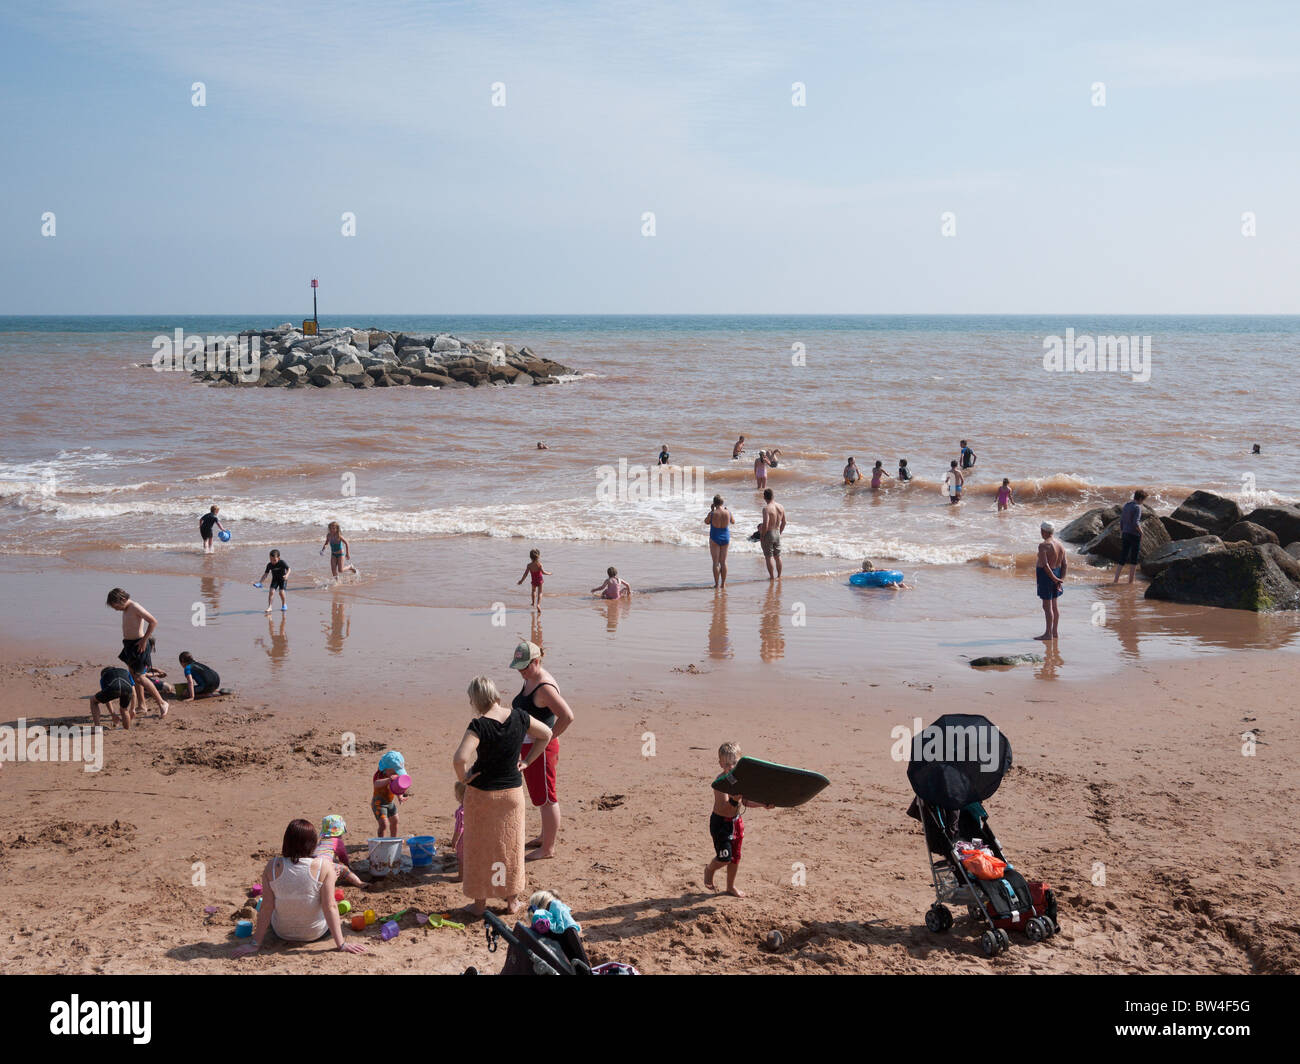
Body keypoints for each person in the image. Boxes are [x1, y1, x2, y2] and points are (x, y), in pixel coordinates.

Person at [453, 675, 553, 916]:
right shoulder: (520, 716)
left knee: (480, 848)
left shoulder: (479, 725)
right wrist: (527, 761)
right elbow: (546, 734)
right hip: (511, 795)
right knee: (511, 846)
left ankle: (479, 905)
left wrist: (464, 777)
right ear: (496, 694)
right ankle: (512, 902)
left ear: (476, 700)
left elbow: (459, 758)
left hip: (482, 795)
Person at [233, 819, 366, 956]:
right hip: (315, 933)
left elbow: (267, 906)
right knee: (327, 903)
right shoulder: (324, 866)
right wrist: (341, 944)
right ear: (313, 843)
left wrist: (254, 944)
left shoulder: (272, 866)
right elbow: (330, 906)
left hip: (281, 932)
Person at [510, 640, 576, 861]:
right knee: (539, 795)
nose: (521, 671)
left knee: (547, 798)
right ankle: (544, 836)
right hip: (530, 745)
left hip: (540, 749)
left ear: (536, 661)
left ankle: (548, 848)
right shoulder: (530, 678)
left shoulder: (544, 687)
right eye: (518, 667)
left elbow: (567, 717)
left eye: (525, 666)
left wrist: (547, 739)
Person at [705, 742, 773, 898]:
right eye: (726, 764)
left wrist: (763, 804)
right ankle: (709, 869)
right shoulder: (720, 783)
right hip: (720, 823)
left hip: (736, 822)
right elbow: (724, 809)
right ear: (720, 764)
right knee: (724, 858)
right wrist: (734, 800)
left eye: (734, 763)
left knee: (735, 858)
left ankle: (730, 887)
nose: (730, 767)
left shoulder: (741, 781)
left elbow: (746, 801)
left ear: (740, 763)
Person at [106, 588, 168, 719]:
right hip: (129, 645)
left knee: (140, 677)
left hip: (139, 644)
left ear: (122, 599)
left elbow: (153, 621)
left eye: (116, 606)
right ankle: (142, 705)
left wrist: (144, 640)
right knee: (134, 676)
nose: (116, 609)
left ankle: (162, 703)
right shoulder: (126, 608)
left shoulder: (134, 607)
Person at [312, 814, 363, 888]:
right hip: (323, 865)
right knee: (344, 869)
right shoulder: (337, 841)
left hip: (312, 864)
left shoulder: (320, 840)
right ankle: (359, 883)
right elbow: (343, 856)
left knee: (334, 861)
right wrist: (347, 865)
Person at [1035, 521, 1067, 640]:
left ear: (1043, 531)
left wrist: (1054, 579)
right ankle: (1054, 632)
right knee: (1054, 606)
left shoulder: (1043, 545)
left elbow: (1045, 565)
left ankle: (1048, 634)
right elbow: (1065, 564)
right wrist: (1060, 579)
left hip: (1046, 576)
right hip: (1057, 573)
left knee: (1047, 607)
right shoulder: (1060, 544)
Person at [1113, 489, 1147, 584]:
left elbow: (1122, 521)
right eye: (1143, 500)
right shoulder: (1137, 507)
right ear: (1140, 499)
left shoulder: (1126, 505)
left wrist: (1122, 531)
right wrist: (1141, 532)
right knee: (1134, 559)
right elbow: (1136, 523)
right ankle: (1130, 582)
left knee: (1123, 557)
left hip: (1125, 533)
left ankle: (1115, 580)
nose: (1143, 502)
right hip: (1134, 534)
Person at [372, 750, 408, 838]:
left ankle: (393, 839)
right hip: (379, 803)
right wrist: (388, 780)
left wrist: (400, 796)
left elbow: (397, 788)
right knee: (383, 824)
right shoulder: (379, 774)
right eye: (393, 772)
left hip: (389, 802)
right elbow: (376, 783)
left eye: (397, 772)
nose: (396, 774)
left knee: (395, 820)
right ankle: (381, 841)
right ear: (385, 769)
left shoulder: (396, 776)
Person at [704, 494, 734, 589]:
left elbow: (706, 521)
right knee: (723, 562)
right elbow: (733, 521)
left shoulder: (713, 513)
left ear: (714, 503)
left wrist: (711, 510)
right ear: (722, 502)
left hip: (715, 537)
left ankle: (717, 584)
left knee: (716, 562)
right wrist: (728, 511)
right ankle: (723, 584)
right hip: (725, 537)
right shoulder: (728, 512)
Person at [759, 488, 786, 581]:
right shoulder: (781, 507)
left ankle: (771, 577)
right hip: (777, 532)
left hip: (769, 533)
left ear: (764, 497)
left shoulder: (766, 509)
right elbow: (784, 522)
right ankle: (779, 576)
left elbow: (766, 524)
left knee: (768, 556)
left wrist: (762, 536)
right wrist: (779, 533)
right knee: (777, 556)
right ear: (773, 496)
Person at [450, 781, 467, 883]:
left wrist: (454, 840)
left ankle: (461, 877)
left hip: (464, 839)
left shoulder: (461, 811)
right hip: (475, 836)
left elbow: (459, 829)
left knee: (461, 858)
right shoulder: (475, 807)